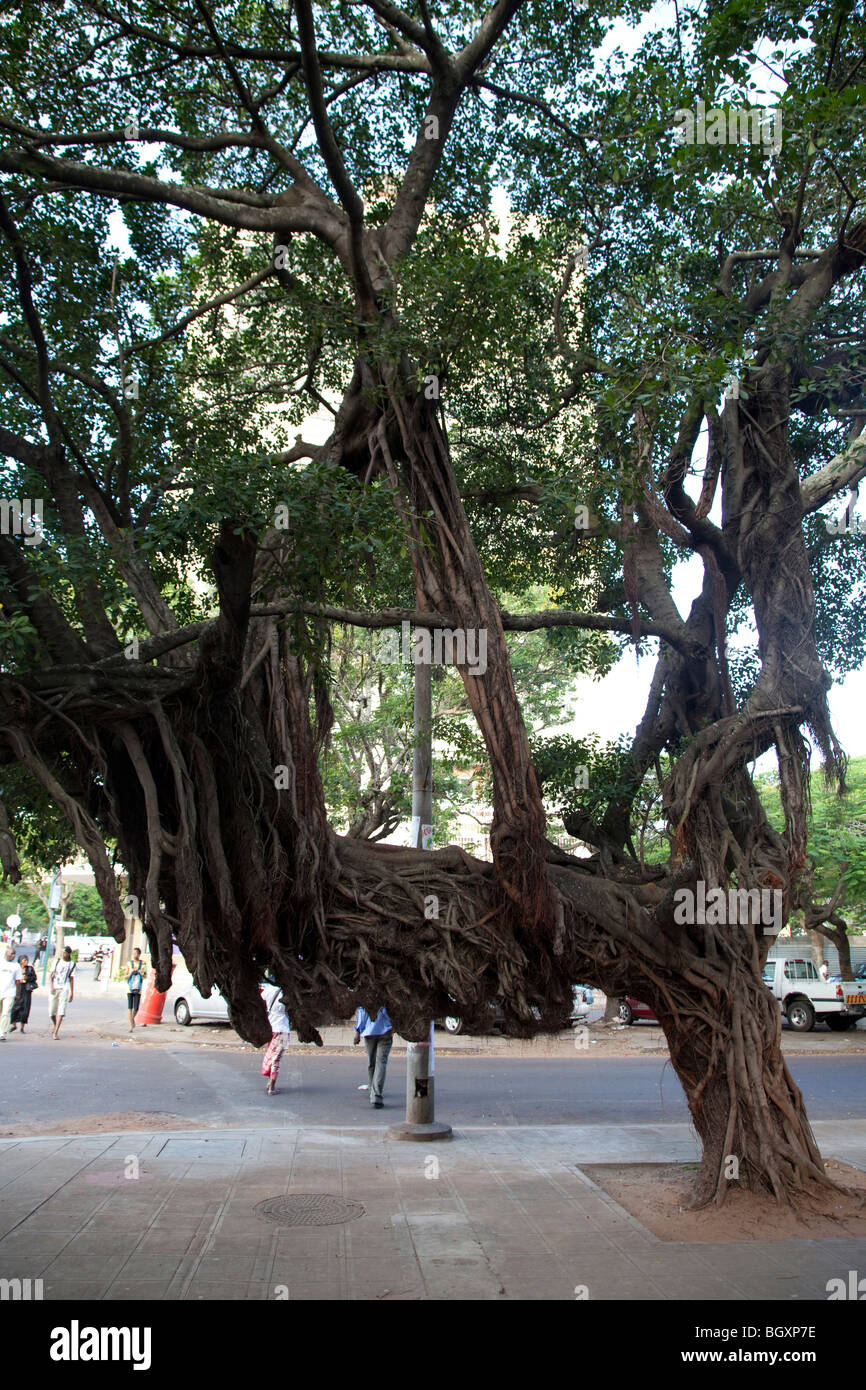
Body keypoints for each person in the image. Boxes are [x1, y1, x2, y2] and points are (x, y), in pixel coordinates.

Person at [354, 1006, 394, 1108]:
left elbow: (362, 1012)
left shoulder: (366, 995)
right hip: (385, 1030)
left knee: (372, 1063)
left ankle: (374, 1092)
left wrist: (357, 1032)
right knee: (380, 1063)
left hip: (370, 1032)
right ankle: (375, 1093)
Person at [260, 979, 291, 1095]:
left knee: (271, 1056)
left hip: (270, 1027)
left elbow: (262, 1003)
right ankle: (271, 1087)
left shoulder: (268, 990)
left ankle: (269, 1083)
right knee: (276, 1059)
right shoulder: (287, 992)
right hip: (283, 1029)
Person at [49, 946, 75, 1039]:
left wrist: (72, 992)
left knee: (61, 1010)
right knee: (52, 1012)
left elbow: (71, 978)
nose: (63, 954)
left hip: (65, 988)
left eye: (65, 953)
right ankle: (55, 1024)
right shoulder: (57, 962)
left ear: (68, 954)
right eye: (62, 952)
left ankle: (55, 1032)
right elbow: (51, 975)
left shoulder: (72, 964)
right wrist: (51, 987)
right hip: (55, 987)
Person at [10, 955, 37, 1033]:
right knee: (14, 1009)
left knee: (25, 1009)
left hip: (26, 991)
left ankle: (22, 1027)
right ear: (20, 961)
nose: (26, 962)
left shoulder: (30, 969)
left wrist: (27, 978)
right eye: (24, 960)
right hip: (17, 990)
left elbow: (34, 977)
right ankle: (14, 1025)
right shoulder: (16, 968)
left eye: (27, 960)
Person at [0, 946, 22, 1041]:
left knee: (6, 1013)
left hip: (10, 992)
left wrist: (18, 994)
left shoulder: (16, 966)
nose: (13, 956)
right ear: (6, 953)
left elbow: (18, 981)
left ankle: (2, 1033)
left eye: (14, 954)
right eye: (11, 954)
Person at [126, 948, 144, 1032]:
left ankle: (132, 1019)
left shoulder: (143, 964)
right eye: (133, 953)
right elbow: (125, 976)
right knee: (130, 1007)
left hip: (138, 988)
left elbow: (145, 976)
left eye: (135, 953)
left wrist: (141, 973)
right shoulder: (129, 963)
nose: (134, 954)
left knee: (136, 1008)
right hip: (130, 989)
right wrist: (130, 973)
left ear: (139, 954)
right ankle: (131, 1026)